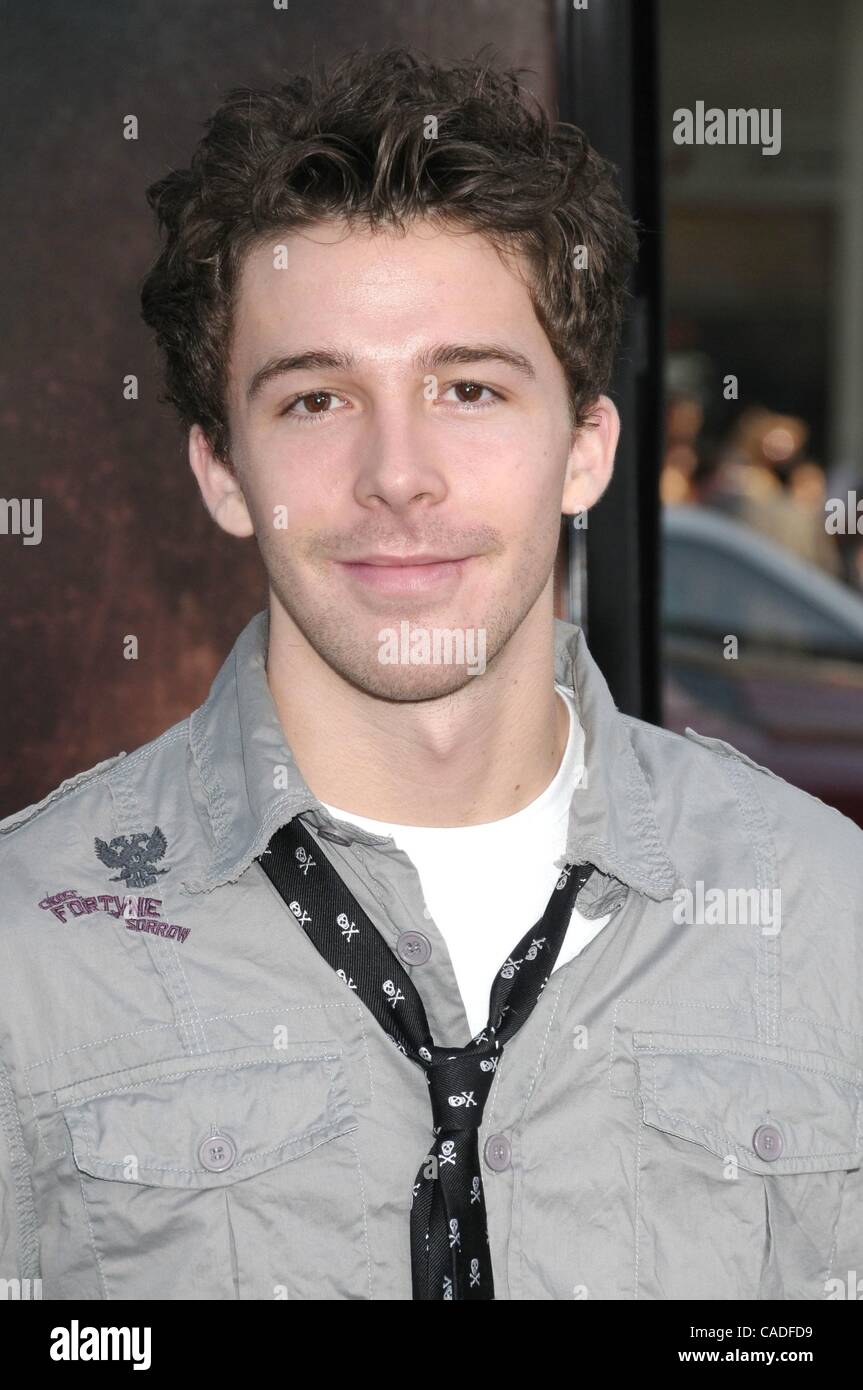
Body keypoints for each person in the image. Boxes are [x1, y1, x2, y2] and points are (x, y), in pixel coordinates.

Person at [1, 46, 861, 1303]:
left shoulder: (829, 922)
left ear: (583, 451)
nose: (396, 472)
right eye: (313, 399)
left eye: (467, 387)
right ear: (220, 472)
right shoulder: (30, 947)